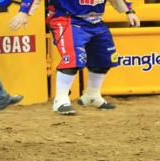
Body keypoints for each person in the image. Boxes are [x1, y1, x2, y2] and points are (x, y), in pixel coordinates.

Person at [9, 0, 140, 115]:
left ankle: (92, 95)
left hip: (95, 21)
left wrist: (129, 11)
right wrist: (24, 12)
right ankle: (60, 99)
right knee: (72, 58)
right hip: (66, 19)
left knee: (105, 59)